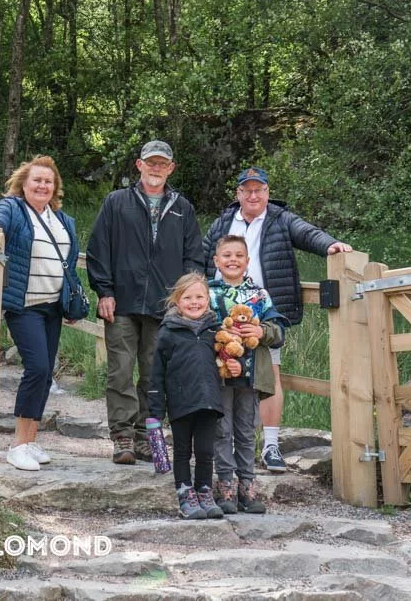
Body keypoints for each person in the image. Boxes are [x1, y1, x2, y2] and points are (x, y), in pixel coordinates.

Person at [202, 166, 352, 473]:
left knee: (269, 374)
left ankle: (270, 445)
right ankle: (221, 444)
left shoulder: (280, 219)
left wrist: (331, 245)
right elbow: (201, 254)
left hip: (261, 311)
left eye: (259, 190)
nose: (254, 195)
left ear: (268, 193)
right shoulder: (222, 223)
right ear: (238, 194)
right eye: (248, 190)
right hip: (219, 310)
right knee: (219, 372)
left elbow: (308, 233)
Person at [86, 140, 204, 465]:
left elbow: (194, 257)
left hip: (165, 307)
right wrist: (104, 291)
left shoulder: (183, 208)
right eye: (150, 162)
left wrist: (184, 300)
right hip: (121, 303)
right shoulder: (116, 202)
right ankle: (122, 437)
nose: (155, 168)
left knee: (155, 375)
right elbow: (98, 249)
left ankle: (144, 437)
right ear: (139, 165)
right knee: (120, 372)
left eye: (162, 163)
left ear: (171, 168)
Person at [0, 155, 81, 471]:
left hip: (52, 307)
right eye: (37, 180)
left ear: (54, 187)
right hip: (23, 306)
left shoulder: (63, 220)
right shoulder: (14, 209)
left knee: (46, 375)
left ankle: (30, 440)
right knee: (38, 368)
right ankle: (16, 445)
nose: (43, 185)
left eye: (48, 181)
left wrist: (73, 298)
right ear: (24, 184)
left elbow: (68, 265)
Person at [207, 235, 289, 514]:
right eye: (226, 255)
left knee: (244, 430)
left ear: (247, 261)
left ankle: (247, 485)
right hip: (218, 373)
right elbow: (196, 327)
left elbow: (279, 332)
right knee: (222, 430)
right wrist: (218, 333)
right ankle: (225, 484)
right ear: (216, 261)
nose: (233, 260)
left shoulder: (260, 295)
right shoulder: (208, 293)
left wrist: (261, 331)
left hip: (251, 375)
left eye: (238, 255)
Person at [149, 272, 234, 520]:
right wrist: (155, 410)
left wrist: (235, 367)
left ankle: (204, 491)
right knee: (183, 450)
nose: (194, 302)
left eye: (200, 297)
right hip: (180, 402)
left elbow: (226, 362)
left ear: (208, 299)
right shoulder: (168, 333)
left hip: (209, 400)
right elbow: (156, 374)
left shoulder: (216, 332)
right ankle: (185, 493)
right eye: (188, 297)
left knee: (206, 450)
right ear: (177, 301)